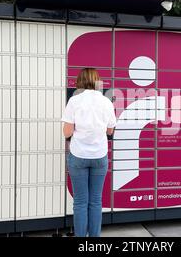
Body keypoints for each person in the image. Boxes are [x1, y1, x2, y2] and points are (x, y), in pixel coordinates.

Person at [61, 68, 117, 237]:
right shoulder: (106, 102)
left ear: (80, 81)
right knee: (95, 201)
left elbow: (67, 132)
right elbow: (110, 131)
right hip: (99, 156)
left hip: (78, 156)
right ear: (96, 81)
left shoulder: (74, 101)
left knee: (80, 202)